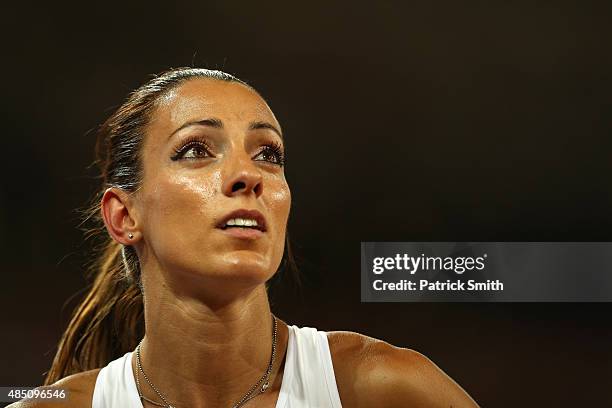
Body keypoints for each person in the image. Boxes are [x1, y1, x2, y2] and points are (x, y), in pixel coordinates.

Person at [10, 68, 479, 407]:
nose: (247, 175)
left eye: (268, 154)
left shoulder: (385, 388)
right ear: (123, 215)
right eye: (196, 149)